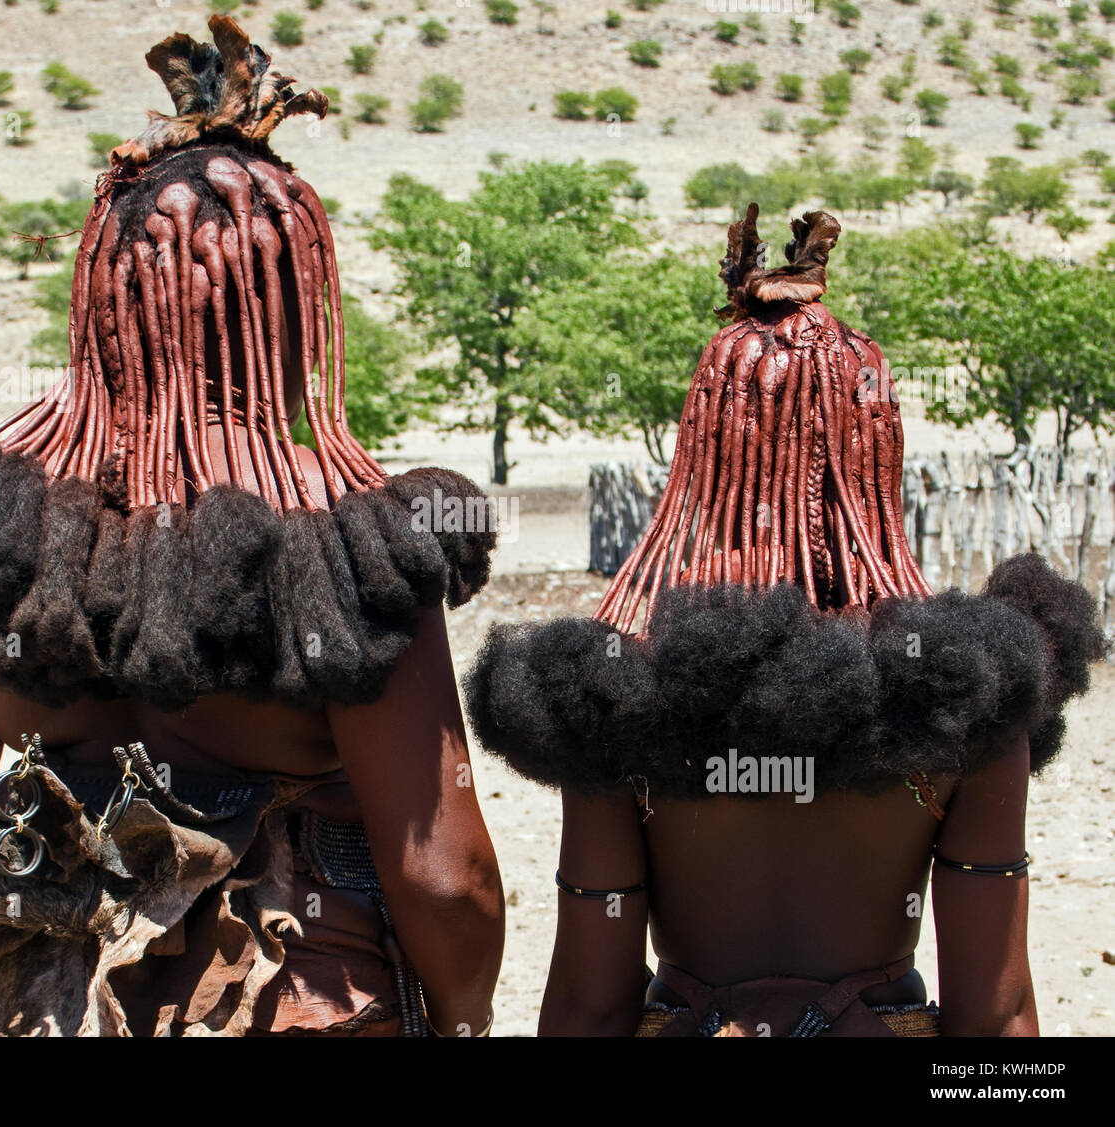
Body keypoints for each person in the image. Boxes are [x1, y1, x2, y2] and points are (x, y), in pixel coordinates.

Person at [0, 16, 504, 1038]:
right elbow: (446, 880)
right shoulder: (348, 539)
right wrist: (459, 1020)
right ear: (287, 301)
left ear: (101, 292)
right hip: (293, 999)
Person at [465, 205, 1105, 1037]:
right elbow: (998, 1011)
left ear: (705, 444)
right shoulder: (962, 702)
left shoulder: (619, 699)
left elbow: (592, 1003)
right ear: (874, 444)